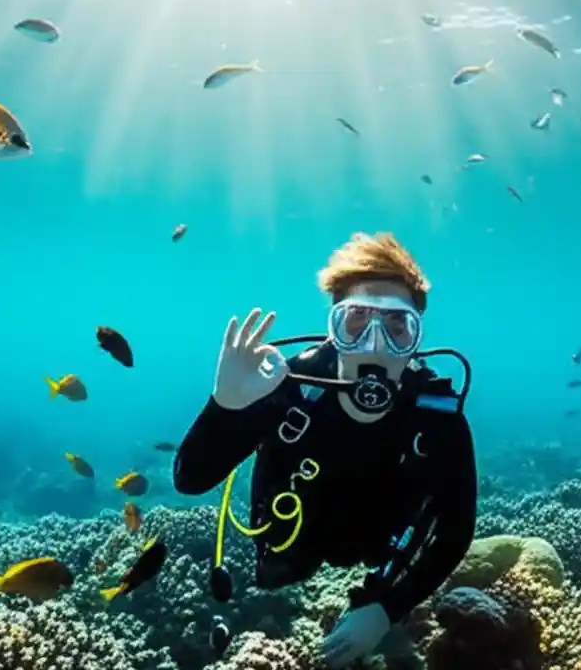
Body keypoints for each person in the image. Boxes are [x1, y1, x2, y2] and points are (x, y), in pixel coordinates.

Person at [174, 232, 477, 668]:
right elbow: (189, 479)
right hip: (294, 545)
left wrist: (387, 609)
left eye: (397, 327)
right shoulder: (285, 388)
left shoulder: (437, 418)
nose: (375, 344)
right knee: (280, 573)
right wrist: (224, 405)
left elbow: (455, 530)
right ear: (333, 330)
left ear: (416, 338)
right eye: (355, 322)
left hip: (380, 547)